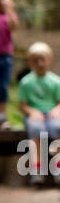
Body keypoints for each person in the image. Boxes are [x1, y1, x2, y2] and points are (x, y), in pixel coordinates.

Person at [18, 41, 60, 185]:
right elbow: (22, 106)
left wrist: (56, 110)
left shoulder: (55, 81)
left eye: (43, 59)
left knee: (57, 128)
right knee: (37, 130)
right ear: (31, 62)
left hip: (52, 114)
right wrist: (32, 112)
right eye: (36, 60)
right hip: (35, 115)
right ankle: (37, 169)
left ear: (49, 60)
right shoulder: (26, 82)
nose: (40, 63)